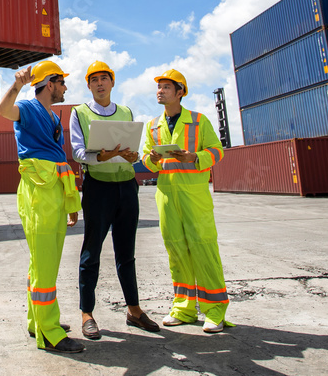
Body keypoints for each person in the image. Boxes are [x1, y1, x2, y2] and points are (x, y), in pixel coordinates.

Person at [0, 60, 84, 354]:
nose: (66, 88)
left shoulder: (52, 116)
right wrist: (17, 85)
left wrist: (71, 203)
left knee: (41, 263)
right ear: (50, 84)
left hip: (53, 194)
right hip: (40, 195)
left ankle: (37, 320)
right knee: (45, 264)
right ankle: (50, 333)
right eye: (62, 83)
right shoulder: (30, 108)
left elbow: (60, 164)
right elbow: (4, 111)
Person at [69, 61, 159, 340]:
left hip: (126, 188)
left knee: (126, 254)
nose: (99, 83)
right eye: (94, 79)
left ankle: (134, 310)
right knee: (91, 252)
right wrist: (101, 157)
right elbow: (77, 152)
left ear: (112, 82)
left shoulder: (126, 111)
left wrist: (132, 157)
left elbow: (131, 148)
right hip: (98, 189)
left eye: (104, 78)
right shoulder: (79, 113)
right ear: (88, 85)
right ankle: (87, 313)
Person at [141, 68, 229, 333]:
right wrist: (151, 160)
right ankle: (184, 307)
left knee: (204, 250)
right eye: (159, 87)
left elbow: (217, 151)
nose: (160, 91)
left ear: (180, 92)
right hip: (167, 197)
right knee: (176, 252)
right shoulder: (152, 125)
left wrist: (195, 158)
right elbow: (145, 158)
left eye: (166, 87)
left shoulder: (199, 121)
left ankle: (215, 311)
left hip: (194, 197)